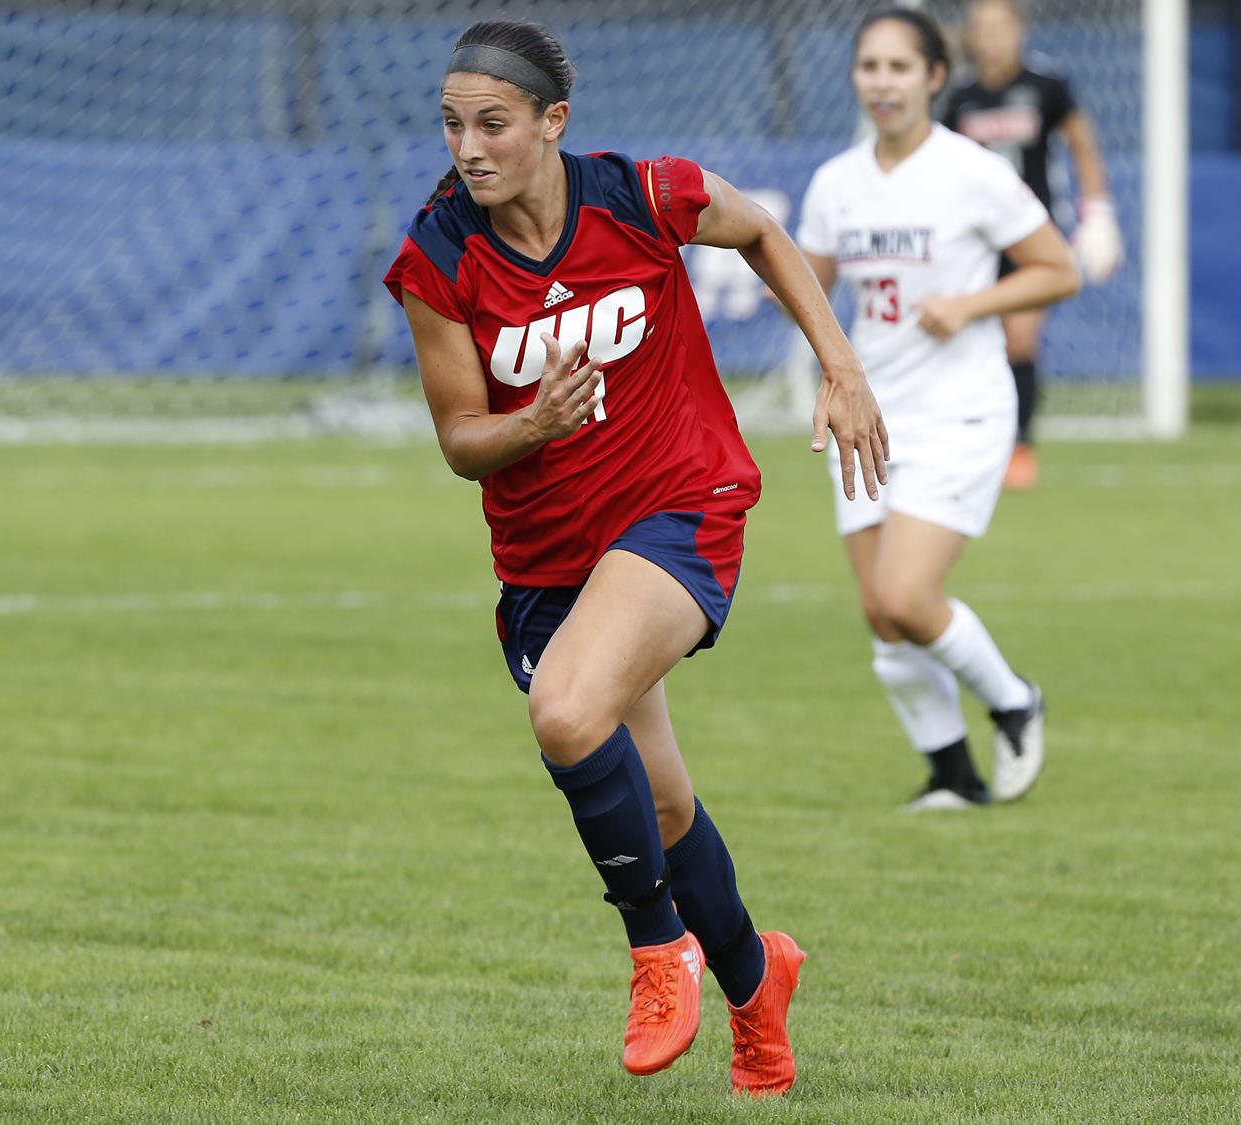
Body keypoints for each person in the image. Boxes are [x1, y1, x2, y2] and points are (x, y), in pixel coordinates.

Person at [381, 18, 887, 1096]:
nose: (467, 147)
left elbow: (760, 234)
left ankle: (658, 950)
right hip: (546, 560)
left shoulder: (643, 195)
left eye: (493, 124)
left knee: (566, 713)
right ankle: (759, 984)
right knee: (655, 806)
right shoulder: (436, 256)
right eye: (450, 124)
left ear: (552, 124)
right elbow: (461, 439)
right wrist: (533, 427)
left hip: (677, 507)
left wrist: (837, 365)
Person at [796, 9, 1077, 811]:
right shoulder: (836, 183)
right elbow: (804, 287)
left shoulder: (973, 171)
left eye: (898, 67)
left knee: (906, 597)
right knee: (881, 618)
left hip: (958, 411)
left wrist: (971, 303)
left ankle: (1015, 699)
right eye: (869, 67)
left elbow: (1057, 270)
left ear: (933, 78)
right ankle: (952, 774)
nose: (882, 82)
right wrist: (833, 365)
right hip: (869, 419)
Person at [943, 0, 1122, 489]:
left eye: (1001, 27)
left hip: (1031, 235)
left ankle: (1019, 445)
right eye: (983, 28)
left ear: (1019, 31)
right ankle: (968, 436)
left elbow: (1083, 145)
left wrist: (1098, 214)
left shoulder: (1046, 85)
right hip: (975, 239)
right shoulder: (960, 95)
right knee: (969, 339)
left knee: (1019, 338)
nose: (993, 38)